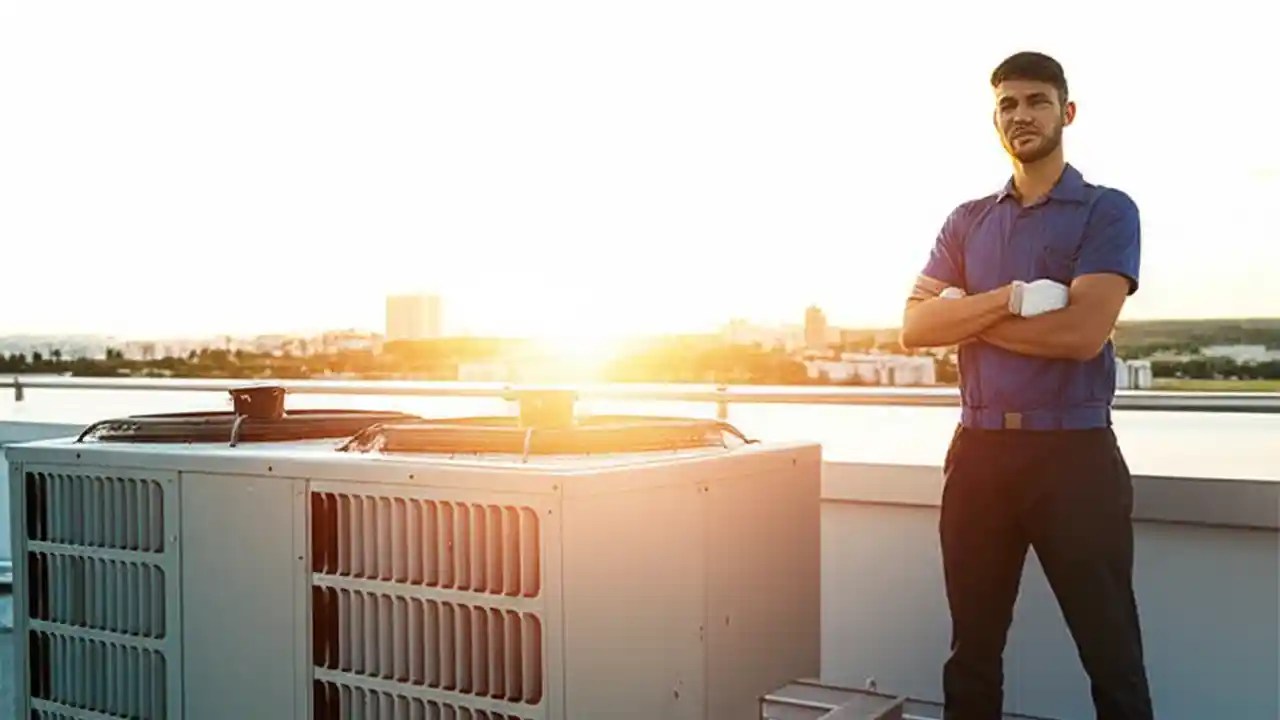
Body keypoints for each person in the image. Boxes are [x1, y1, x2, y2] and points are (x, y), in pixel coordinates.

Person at [900, 51, 1155, 720]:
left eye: (1037, 101)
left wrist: (970, 314)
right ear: (996, 119)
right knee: (972, 655)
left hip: (1073, 457)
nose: (1022, 115)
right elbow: (915, 328)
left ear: (1066, 113)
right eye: (1008, 105)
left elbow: (1081, 335)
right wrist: (1012, 298)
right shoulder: (966, 221)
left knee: (1112, 657)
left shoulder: (1106, 212)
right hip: (978, 456)